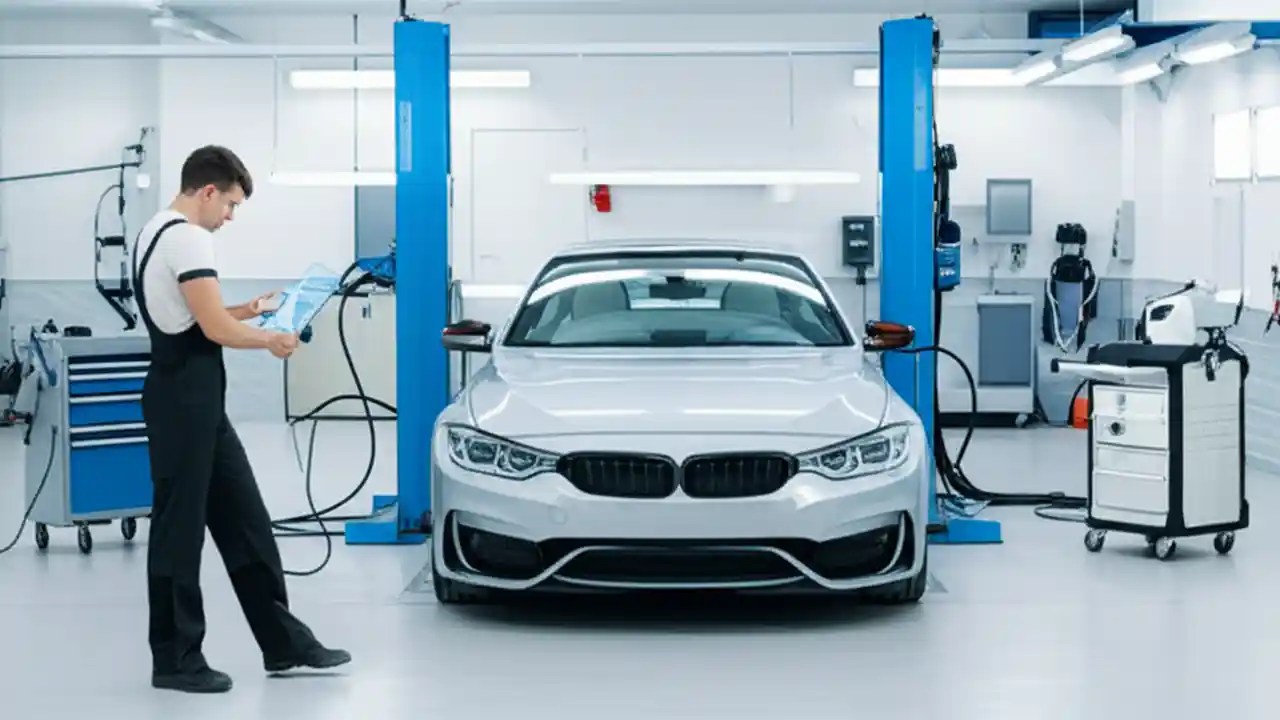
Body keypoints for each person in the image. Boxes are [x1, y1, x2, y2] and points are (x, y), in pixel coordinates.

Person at [133, 145, 350, 694]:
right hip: (184, 399)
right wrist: (270, 339)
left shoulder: (154, 230)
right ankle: (175, 660)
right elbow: (213, 330)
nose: (230, 217)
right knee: (179, 532)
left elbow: (195, 315)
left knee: (246, 520)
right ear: (208, 192)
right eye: (230, 204)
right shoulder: (188, 237)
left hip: (194, 399)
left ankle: (283, 642)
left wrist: (252, 310)